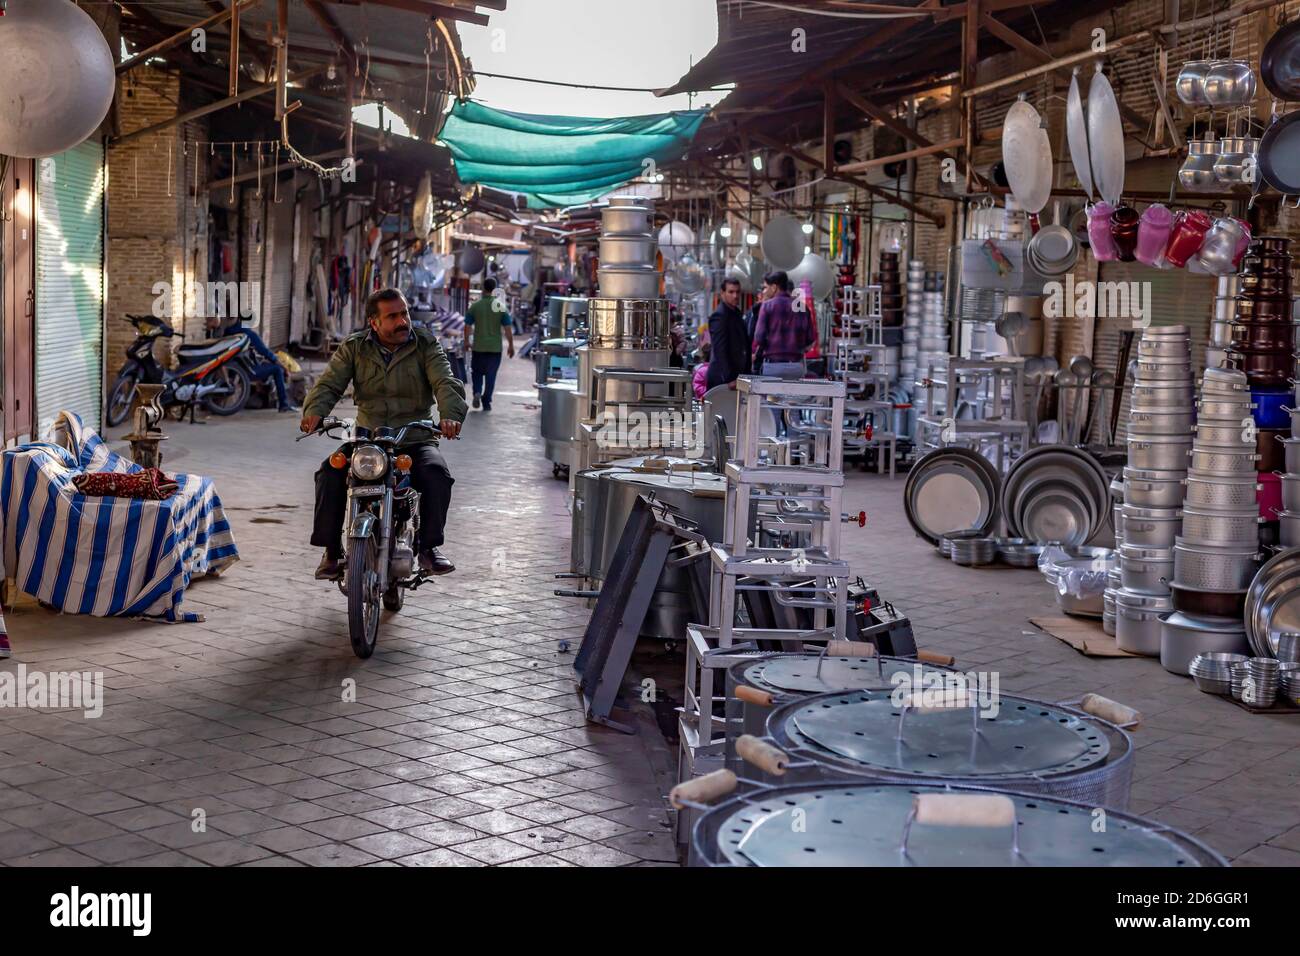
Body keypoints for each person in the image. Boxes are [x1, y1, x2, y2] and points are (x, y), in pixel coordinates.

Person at [301, 288, 467, 580]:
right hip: (368, 439)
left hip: (414, 437)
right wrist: (315, 411)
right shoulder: (354, 347)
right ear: (374, 322)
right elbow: (330, 383)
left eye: (404, 313)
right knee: (329, 472)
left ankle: (428, 548)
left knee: (437, 474)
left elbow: (445, 380)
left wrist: (451, 415)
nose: (403, 321)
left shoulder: (425, 343)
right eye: (393, 316)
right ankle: (331, 551)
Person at [224, 314, 298, 412]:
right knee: (277, 369)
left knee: (267, 365)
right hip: (248, 371)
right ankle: (283, 404)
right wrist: (282, 365)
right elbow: (265, 351)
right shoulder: (248, 333)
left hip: (234, 370)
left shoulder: (227, 332)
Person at [463, 278, 514, 411]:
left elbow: (467, 325)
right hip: (495, 348)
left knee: (477, 373)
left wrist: (467, 341)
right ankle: (486, 401)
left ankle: (477, 392)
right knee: (491, 376)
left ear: (483, 288)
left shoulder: (475, 306)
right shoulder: (500, 307)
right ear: (494, 289)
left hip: (479, 347)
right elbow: (508, 328)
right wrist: (511, 345)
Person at [751, 270, 813, 380]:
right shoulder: (802, 307)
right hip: (796, 367)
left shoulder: (767, 306)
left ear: (774, 287)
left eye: (766, 287)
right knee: (793, 397)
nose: (764, 291)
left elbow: (759, 337)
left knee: (770, 397)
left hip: (773, 367)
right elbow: (810, 339)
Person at [706, 277, 751, 389]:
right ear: (722, 293)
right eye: (731, 292)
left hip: (737, 377)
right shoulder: (720, 316)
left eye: (737, 292)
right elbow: (719, 349)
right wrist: (729, 378)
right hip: (723, 379)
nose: (735, 296)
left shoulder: (736, 314)